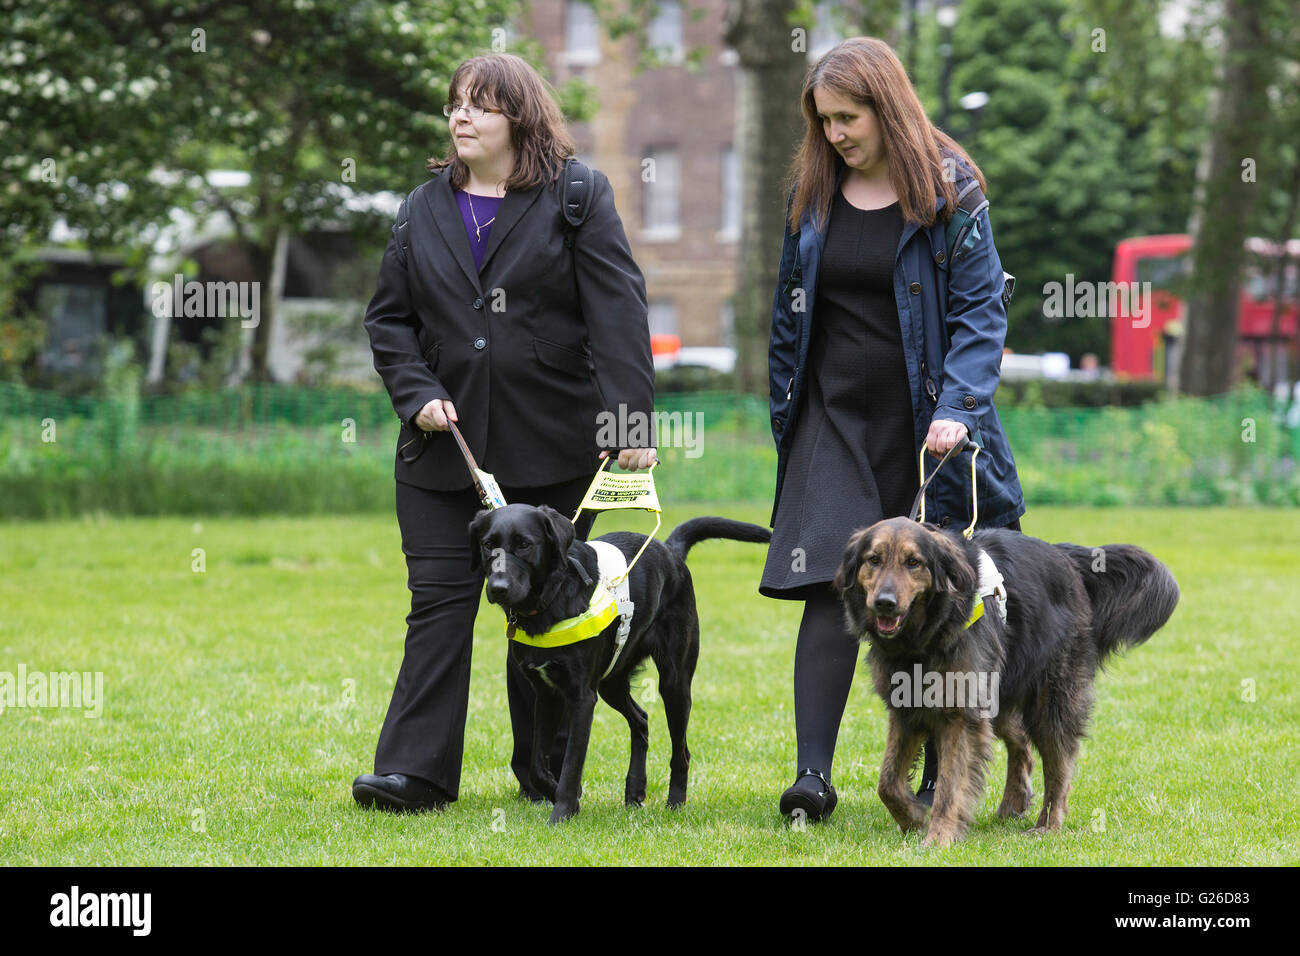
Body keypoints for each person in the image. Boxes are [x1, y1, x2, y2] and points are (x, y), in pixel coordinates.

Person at [354, 53, 657, 812]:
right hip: (440, 450)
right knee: (438, 600)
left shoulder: (577, 196)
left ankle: (547, 771)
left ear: (518, 117)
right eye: (456, 103)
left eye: (480, 106)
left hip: (554, 444)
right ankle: (414, 773)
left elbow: (617, 312)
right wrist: (416, 391)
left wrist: (630, 419)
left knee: (549, 607)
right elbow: (388, 319)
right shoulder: (421, 208)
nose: (461, 116)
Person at [761, 37, 1025, 821]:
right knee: (828, 585)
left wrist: (957, 406)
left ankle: (944, 773)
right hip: (833, 415)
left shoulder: (952, 188)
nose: (835, 133)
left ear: (887, 105)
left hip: (930, 417)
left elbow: (982, 314)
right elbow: (787, 310)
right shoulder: (812, 189)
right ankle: (813, 777)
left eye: (849, 117)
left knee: (946, 598)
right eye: (824, 120)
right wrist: (788, 409)